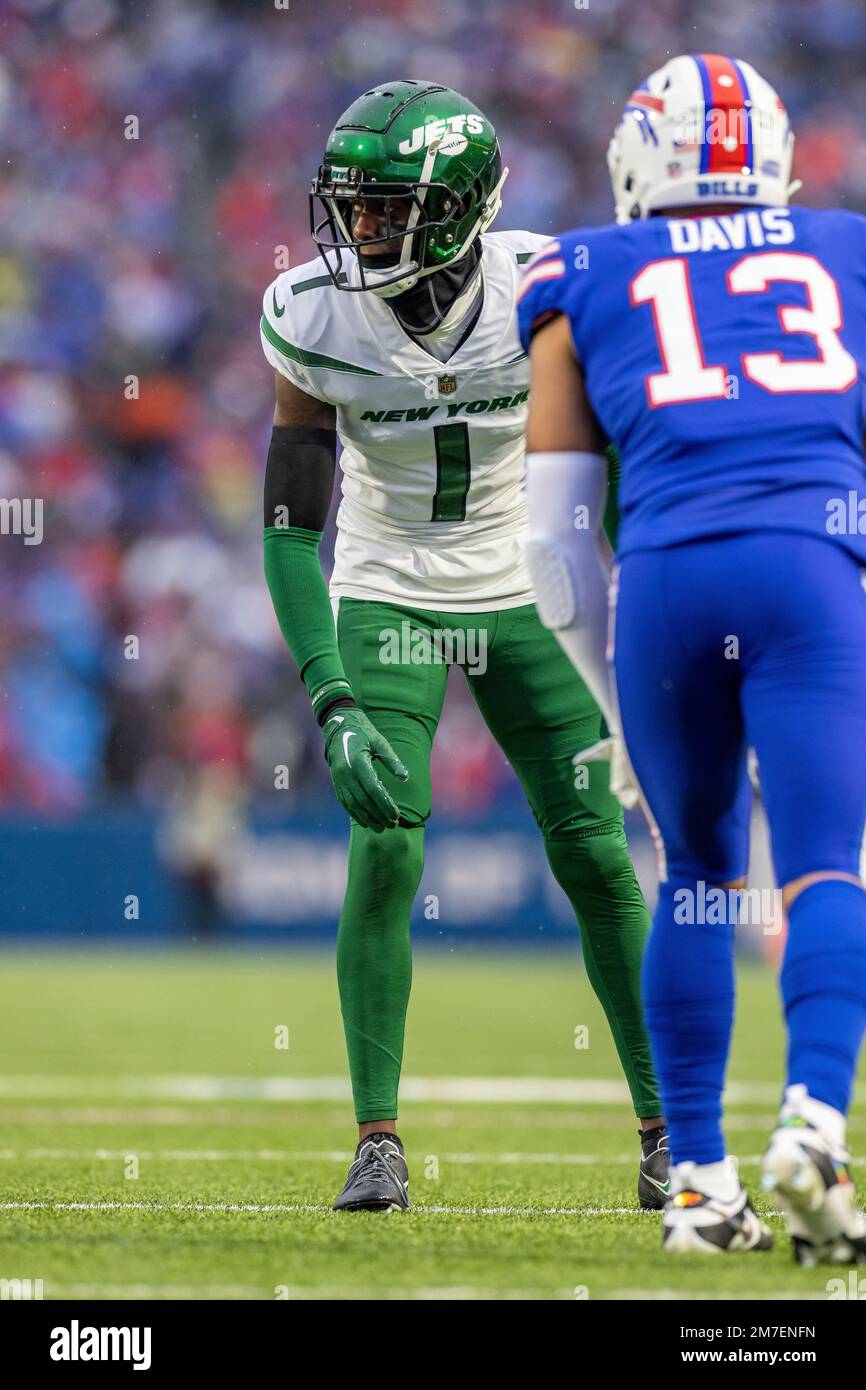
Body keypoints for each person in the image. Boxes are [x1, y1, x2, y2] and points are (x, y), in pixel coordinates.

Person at [260, 80, 666, 1213]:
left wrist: (641, 619)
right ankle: (378, 1138)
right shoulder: (311, 314)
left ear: (454, 209)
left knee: (592, 851)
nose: (356, 232)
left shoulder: (545, 287)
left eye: (383, 209)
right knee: (384, 842)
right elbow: (291, 530)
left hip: (521, 585)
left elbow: (612, 475)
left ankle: (662, 1130)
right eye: (349, 207)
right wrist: (332, 699)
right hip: (386, 584)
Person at [518, 52, 866, 1263]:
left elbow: (552, 540)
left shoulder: (581, 271)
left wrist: (603, 700)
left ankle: (699, 1193)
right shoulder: (843, 248)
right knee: (824, 862)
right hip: (809, 569)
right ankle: (814, 1121)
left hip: (664, 581)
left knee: (694, 871)